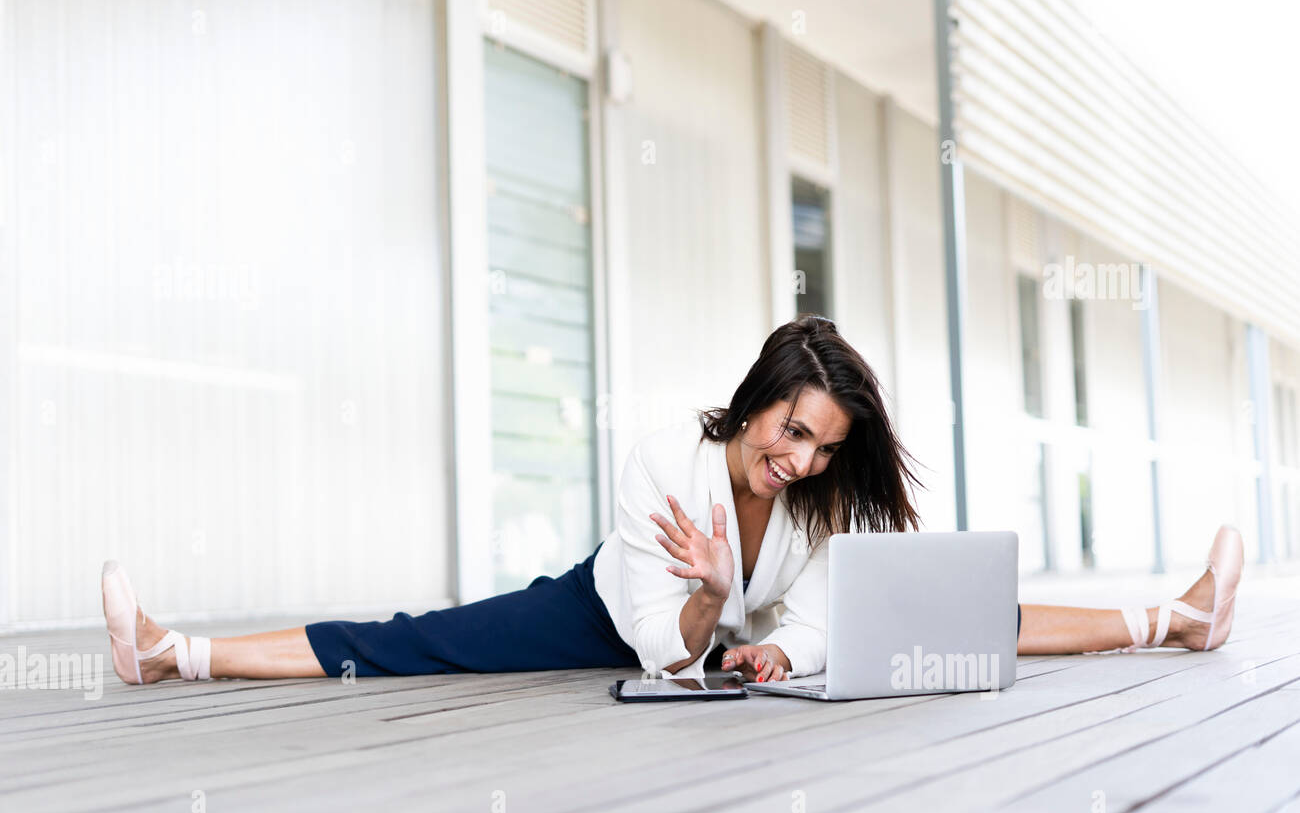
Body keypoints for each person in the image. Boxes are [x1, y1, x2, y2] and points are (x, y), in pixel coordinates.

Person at [100, 315, 1243, 687]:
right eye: (790, 429)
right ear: (754, 404)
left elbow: (812, 612)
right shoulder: (663, 460)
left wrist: (781, 656)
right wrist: (705, 604)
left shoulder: (820, 499)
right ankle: (174, 651)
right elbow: (661, 651)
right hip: (616, 610)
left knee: (961, 610)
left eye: (820, 446)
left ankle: (1178, 616)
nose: (795, 458)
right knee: (412, 640)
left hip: (741, 640)